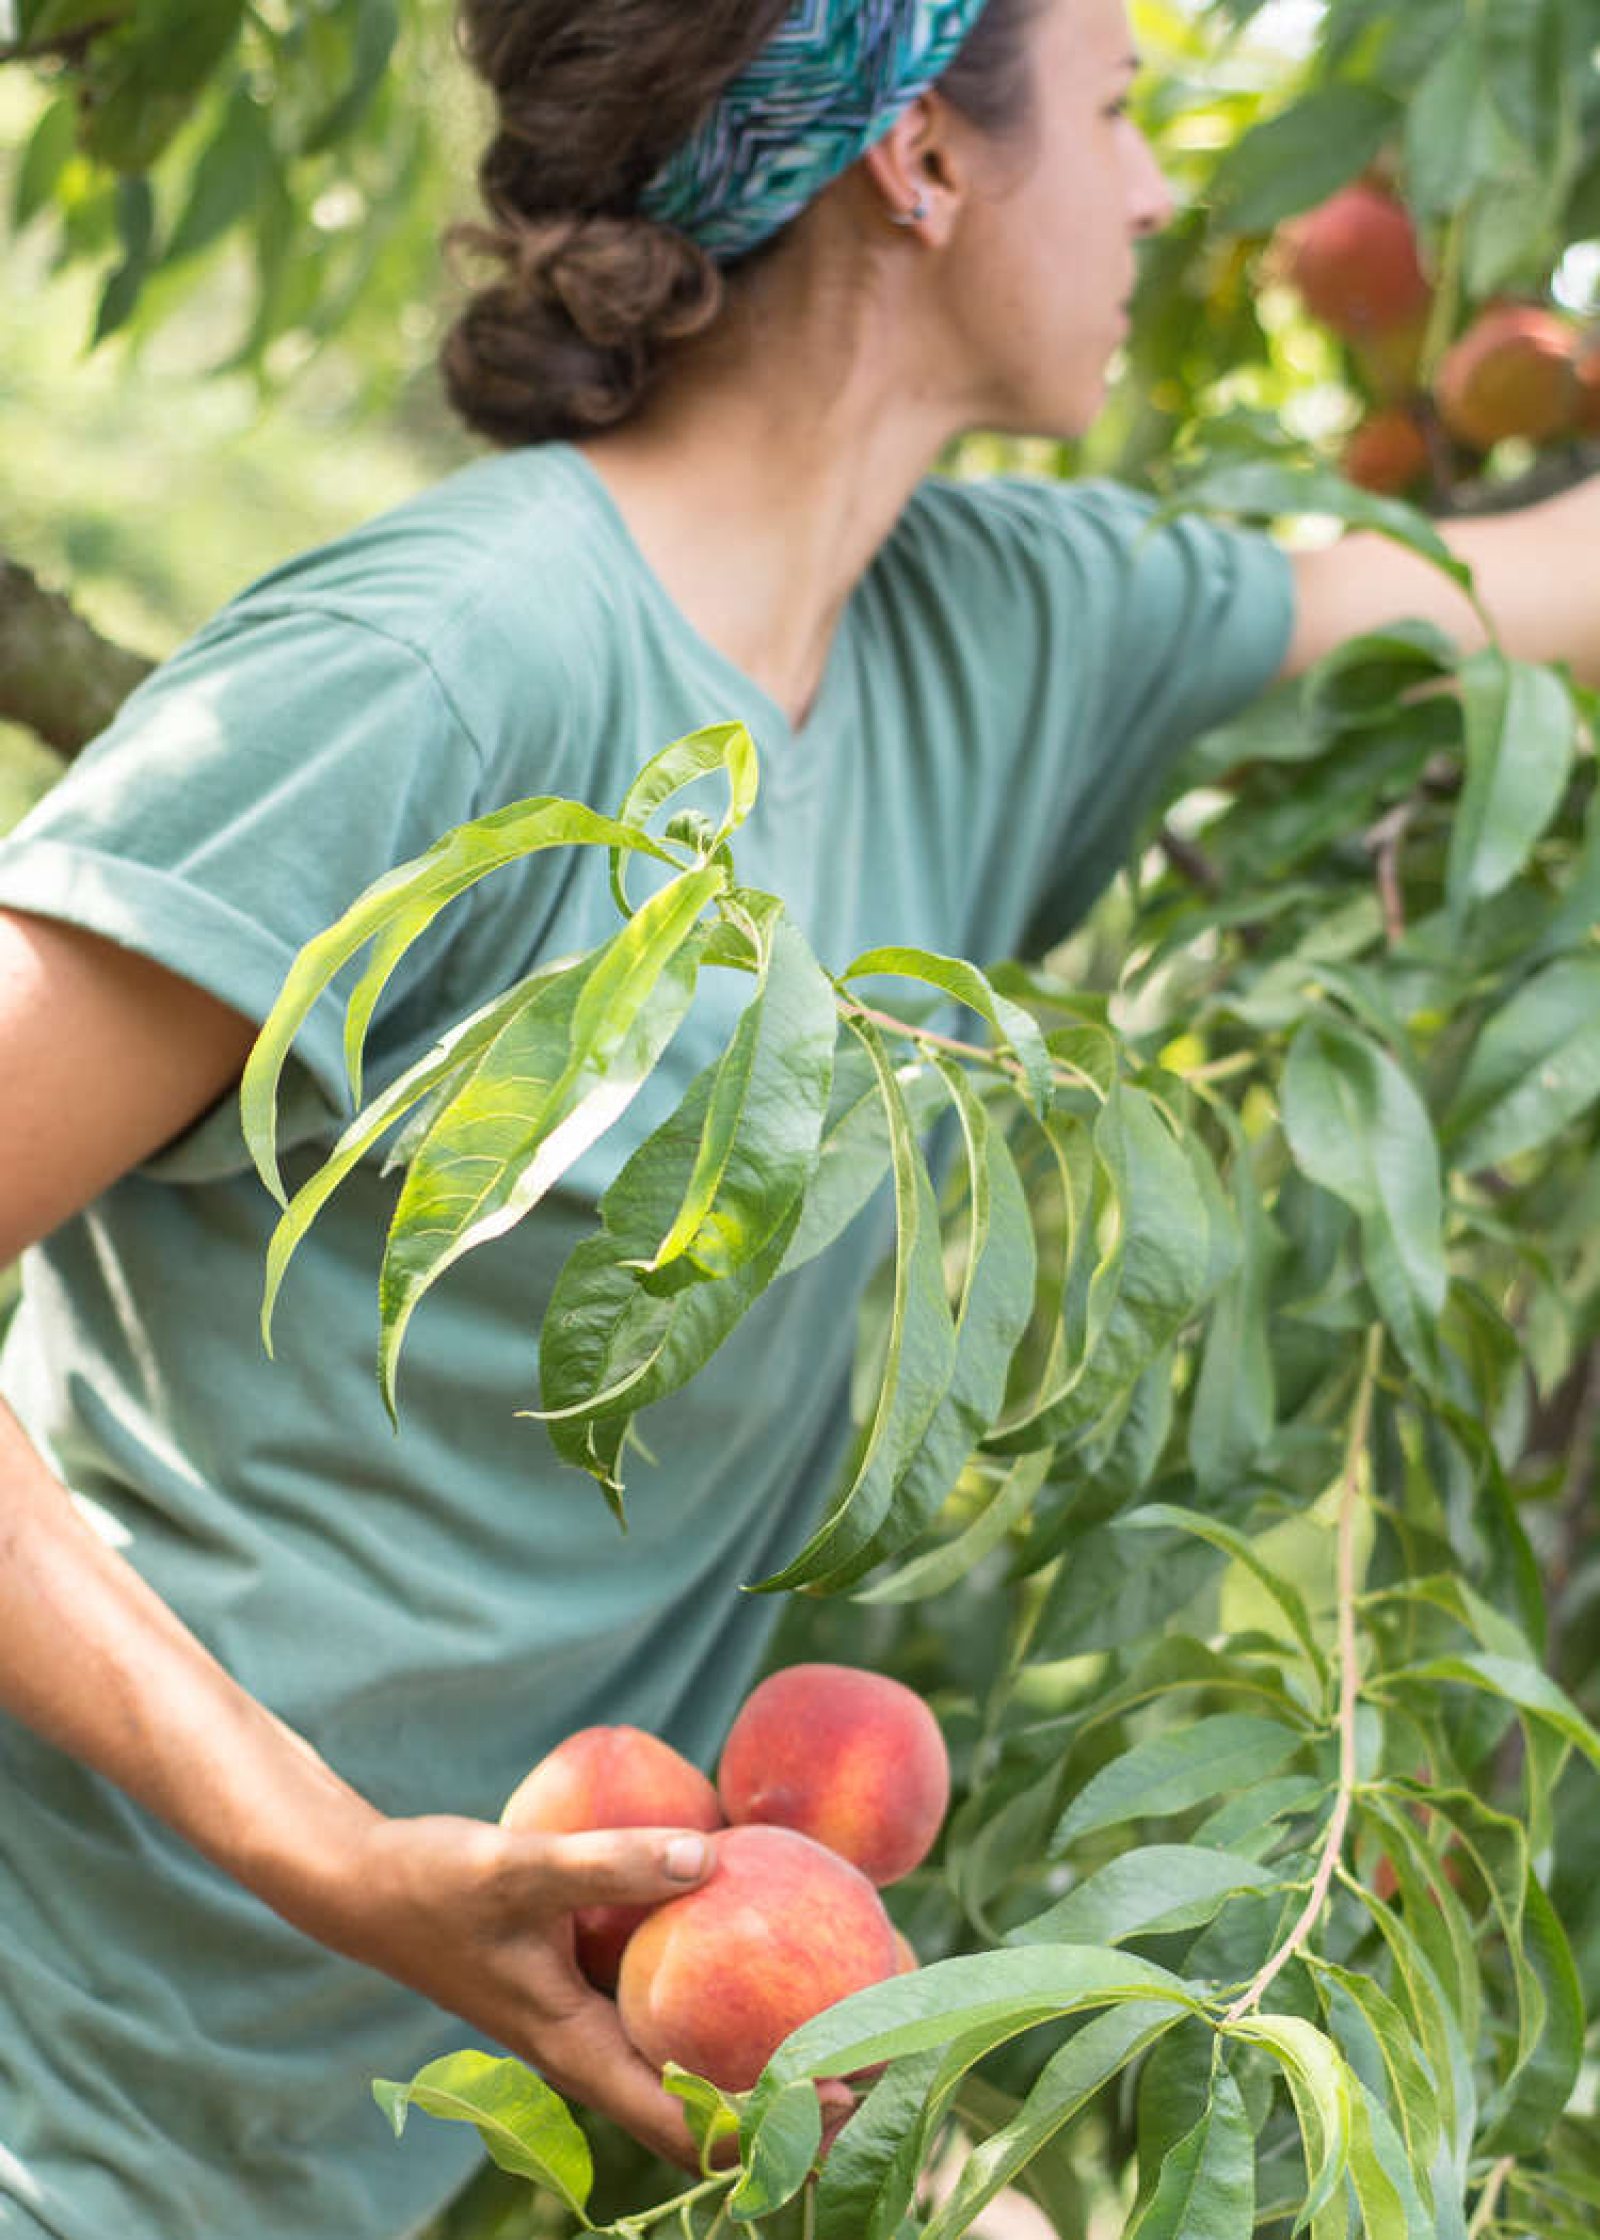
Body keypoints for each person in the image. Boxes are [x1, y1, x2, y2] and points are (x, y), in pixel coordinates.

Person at [2, 0, 1599, 2233]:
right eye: (1126, 112)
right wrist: (314, 1848)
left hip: (347, 2162)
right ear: (919, 155)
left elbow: (1533, 591)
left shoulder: (1002, 632)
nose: (1159, 188)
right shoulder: (457, 660)